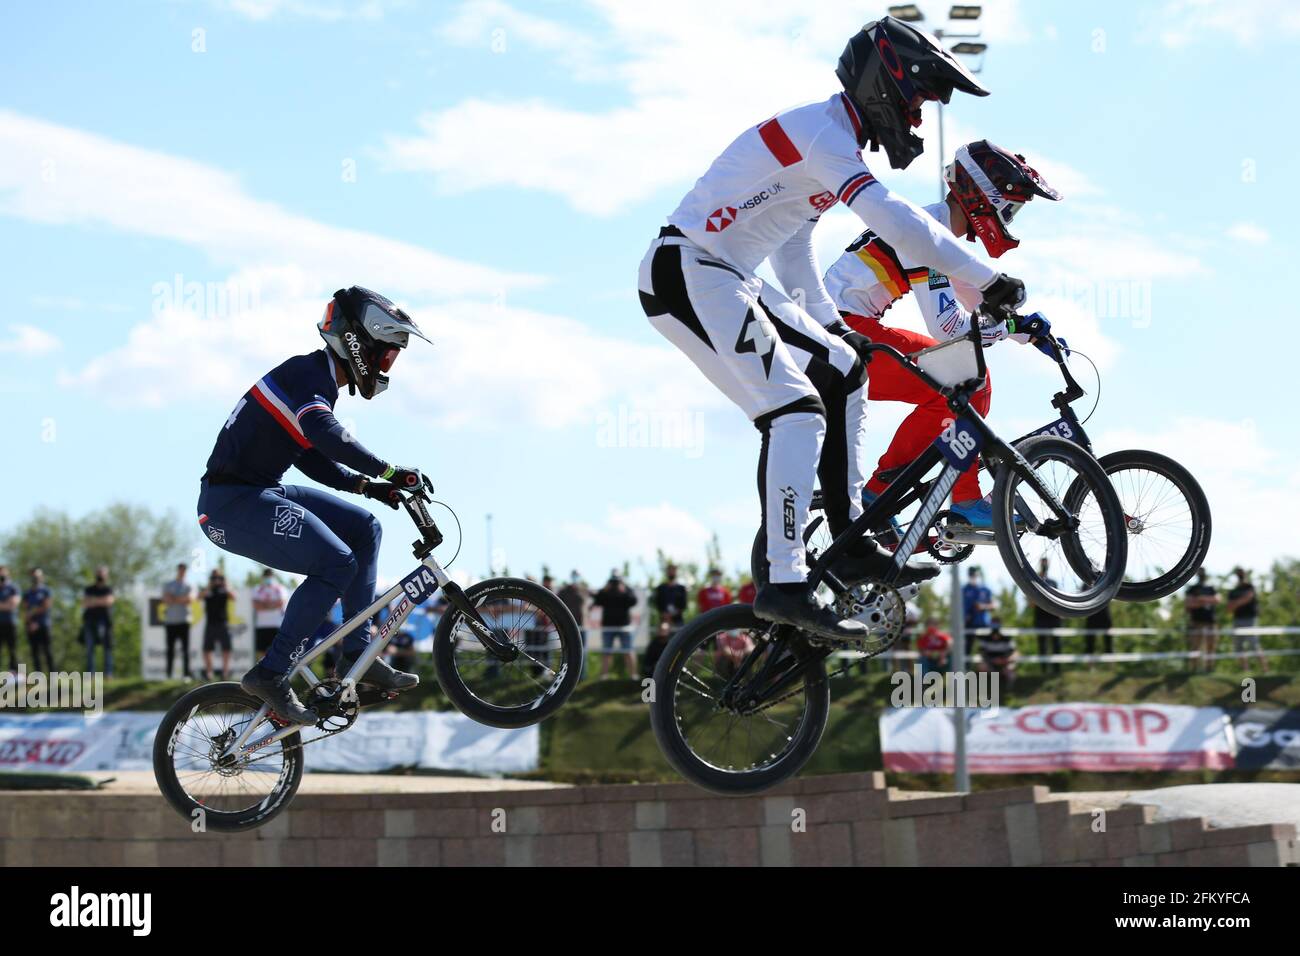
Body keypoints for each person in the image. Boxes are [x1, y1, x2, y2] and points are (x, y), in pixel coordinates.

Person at [637, 17, 1023, 641]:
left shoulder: (828, 138)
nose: (920, 120)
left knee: (844, 370)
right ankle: (783, 581)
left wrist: (827, 326)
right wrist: (984, 275)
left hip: (724, 274)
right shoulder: (824, 136)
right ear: (885, 87)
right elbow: (894, 221)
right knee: (794, 410)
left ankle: (845, 543)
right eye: (918, 102)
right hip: (688, 270)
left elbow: (792, 246)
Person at [197, 286, 431, 723]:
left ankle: (357, 653)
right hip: (230, 505)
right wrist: (388, 470)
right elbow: (324, 434)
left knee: (365, 529)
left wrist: (366, 487)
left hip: (261, 491)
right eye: (387, 355)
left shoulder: (314, 380)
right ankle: (272, 671)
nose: (388, 367)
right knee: (337, 563)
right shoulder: (309, 375)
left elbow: (309, 456)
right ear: (360, 343)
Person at [824, 140, 1062, 528]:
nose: (1010, 220)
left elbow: (976, 297)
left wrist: (1028, 333)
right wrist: (1010, 328)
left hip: (843, 331)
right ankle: (931, 498)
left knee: (965, 380)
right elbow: (948, 327)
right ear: (984, 198)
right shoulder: (925, 232)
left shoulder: (936, 231)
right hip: (846, 333)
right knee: (969, 378)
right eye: (1011, 209)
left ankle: (886, 498)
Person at [592, 571, 638, 679]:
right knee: (607, 652)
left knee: (628, 650)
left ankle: (633, 675)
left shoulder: (626, 589)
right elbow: (597, 600)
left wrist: (624, 590)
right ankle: (604, 675)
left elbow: (634, 601)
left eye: (617, 581)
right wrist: (604, 589)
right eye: (613, 581)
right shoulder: (606, 590)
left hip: (624, 627)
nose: (615, 583)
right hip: (608, 627)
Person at [1226, 567, 1267, 672]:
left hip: (1250, 620)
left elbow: (1248, 598)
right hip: (1237, 620)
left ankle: (1265, 670)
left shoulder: (1249, 587)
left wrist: (1236, 603)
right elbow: (1229, 609)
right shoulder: (1233, 591)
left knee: (1254, 645)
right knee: (1238, 647)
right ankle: (1246, 671)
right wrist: (1240, 602)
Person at [200, 570, 235, 681]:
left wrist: (225, 584)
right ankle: (209, 672)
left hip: (223, 623)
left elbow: (233, 597)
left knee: (226, 648)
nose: (216, 580)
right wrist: (209, 586)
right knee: (207, 649)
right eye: (213, 578)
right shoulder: (208, 590)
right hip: (210, 623)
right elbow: (199, 597)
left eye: (218, 578)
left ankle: (225, 672)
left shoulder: (224, 589)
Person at [80, 565, 115, 676]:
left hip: (105, 621)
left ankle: (108, 673)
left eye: (102, 573)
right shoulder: (89, 589)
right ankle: (91, 674)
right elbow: (85, 603)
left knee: (107, 648)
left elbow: (109, 602)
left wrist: (93, 601)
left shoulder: (108, 589)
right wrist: (101, 601)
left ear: (106, 575)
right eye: (99, 573)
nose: (100, 575)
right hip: (89, 621)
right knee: (90, 648)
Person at [161, 563, 194, 680]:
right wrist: (180, 598)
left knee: (185, 649)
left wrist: (174, 598)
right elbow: (166, 600)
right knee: (170, 649)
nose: (182, 572)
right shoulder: (168, 585)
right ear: (178, 570)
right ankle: (168, 675)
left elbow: (189, 600)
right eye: (180, 570)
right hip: (170, 622)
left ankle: (186, 675)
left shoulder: (189, 585)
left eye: (184, 570)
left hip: (184, 621)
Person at [1184, 567, 1219, 673]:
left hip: (1210, 622)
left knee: (1211, 646)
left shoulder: (1211, 588)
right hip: (1196, 622)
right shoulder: (1192, 589)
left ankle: (1209, 668)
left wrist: (1199, 600)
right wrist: (1207, 601)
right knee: (1195, 646)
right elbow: (1188, 605)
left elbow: (1217, 600)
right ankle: (1194, 669)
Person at [1033, 557, 1063, 675]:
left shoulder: (1053, 582)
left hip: (1054, 617)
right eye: (1043, 563)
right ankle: (1043, 670)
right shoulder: (1034, 581)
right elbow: (1031, 602)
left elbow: (1059, 599)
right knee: (1043, 646)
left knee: (1056, 644)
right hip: (1041, 618)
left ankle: (1057, 670)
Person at [21, 569, 54, 672]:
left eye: (37, 576)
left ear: (42, 577)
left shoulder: (46, 591)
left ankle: (53, 676)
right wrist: (30, 622)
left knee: (47, 651)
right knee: (35, 652)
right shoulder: (27, 593)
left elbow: (46, 605)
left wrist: (33, 612)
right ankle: (38, 678)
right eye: (34, 576)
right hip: (31, 626)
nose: (35, 578)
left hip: (44, 624)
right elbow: (25, 609)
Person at [252, 568, 287, 655]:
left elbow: (281, 602)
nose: (268, 578)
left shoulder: (280, 588)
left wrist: (264, 605)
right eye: (266, 575)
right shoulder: (258, 589)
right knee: (261, 652)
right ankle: (262, 669)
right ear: (263, 577)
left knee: (277, 651)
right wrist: (272, 605)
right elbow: (256, 605)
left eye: (270, 576)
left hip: (277, 625)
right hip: (262, 625)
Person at [961, 565, 994, 657]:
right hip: (968, 624)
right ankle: (965, 669)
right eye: (971, 575)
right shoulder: (964, 589)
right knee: (966, 650)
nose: (973, 577)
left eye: (975, 575)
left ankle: (988, 670)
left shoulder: (985, 589)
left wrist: (983, 607)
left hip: (983, 623)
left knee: (987, 649)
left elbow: (993, 605)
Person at [976, 616, 1017, 689]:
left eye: (997, 623)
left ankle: (1009, 690)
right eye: (993, 623)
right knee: (982, 667)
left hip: (1004, 662)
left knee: (1010, 668)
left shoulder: (1007, 638)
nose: (995, 626)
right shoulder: (985, 638)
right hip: (990, 661)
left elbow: (1015, 652)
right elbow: (981, 652)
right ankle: (984, 689)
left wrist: (1007, 660)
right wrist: (991, 660)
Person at [0, 566, 19, 674]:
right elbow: (8, 604)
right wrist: (5, 604)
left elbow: (13, 604)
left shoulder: (13, 588)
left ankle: (14, 672)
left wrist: (5, 605)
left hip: (10, 622)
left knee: (12, 648)